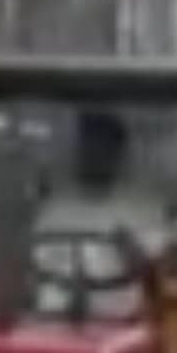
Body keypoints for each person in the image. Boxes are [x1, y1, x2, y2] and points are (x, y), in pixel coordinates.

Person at [30, 111, 164, 321]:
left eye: (103, 147)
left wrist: (128, 246)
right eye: (88, 146)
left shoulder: (142, 208)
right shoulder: (55, 205)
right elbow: (34, 265)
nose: (94, 155)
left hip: (120, 321)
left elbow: (152, 273)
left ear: (117, 154)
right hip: (54, 317)